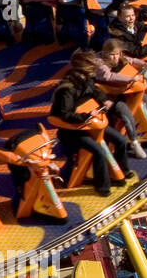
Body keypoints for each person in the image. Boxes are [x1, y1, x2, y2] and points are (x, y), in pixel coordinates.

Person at [49, 50, 132, 196]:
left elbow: (94, 91)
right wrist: (85, 116)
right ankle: (103, 187)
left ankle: (122, 171)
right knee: (98, 151)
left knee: (120, 140)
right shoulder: (67, 89)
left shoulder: (86, 79)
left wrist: (103, 100)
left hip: (90, 124)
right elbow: (65, 115)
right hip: (73, 130)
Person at [85, 49, 147, 158]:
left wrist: (143, 64)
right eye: (112, 54)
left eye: (117, 54)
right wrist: (129, 79)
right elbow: (109, 77)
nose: (116, 57)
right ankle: (134, 143)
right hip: (109, 97)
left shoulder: (118, 59)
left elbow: (130, 60)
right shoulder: (101, 67)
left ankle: (138, 128)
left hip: (121, 91)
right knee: (127, 115)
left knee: (145, 99)